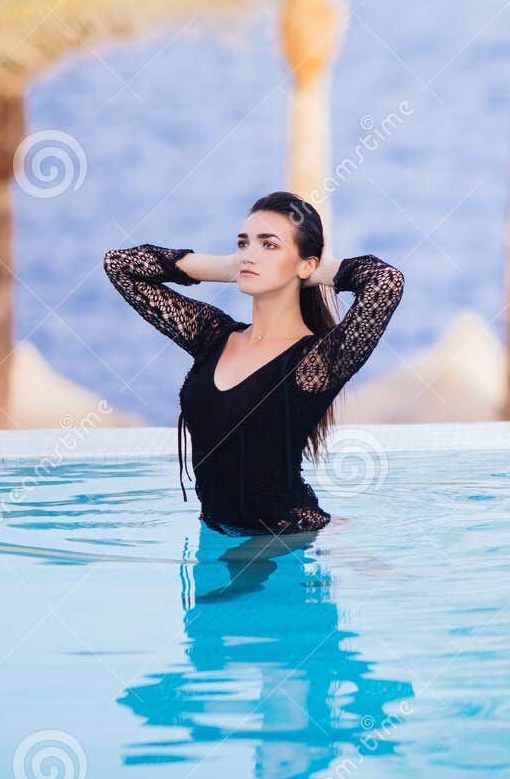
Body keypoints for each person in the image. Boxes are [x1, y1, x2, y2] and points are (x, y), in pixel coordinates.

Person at [103, 191, 404, 535]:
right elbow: (120, 265)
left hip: (286, 540)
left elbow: (386, 281)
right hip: (217, 536)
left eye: (269, 245)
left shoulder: (316, 362)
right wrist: (231, 267)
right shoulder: (212, 335)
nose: (249, 254)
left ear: (307, 264)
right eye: (243, 243)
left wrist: (313, 270)